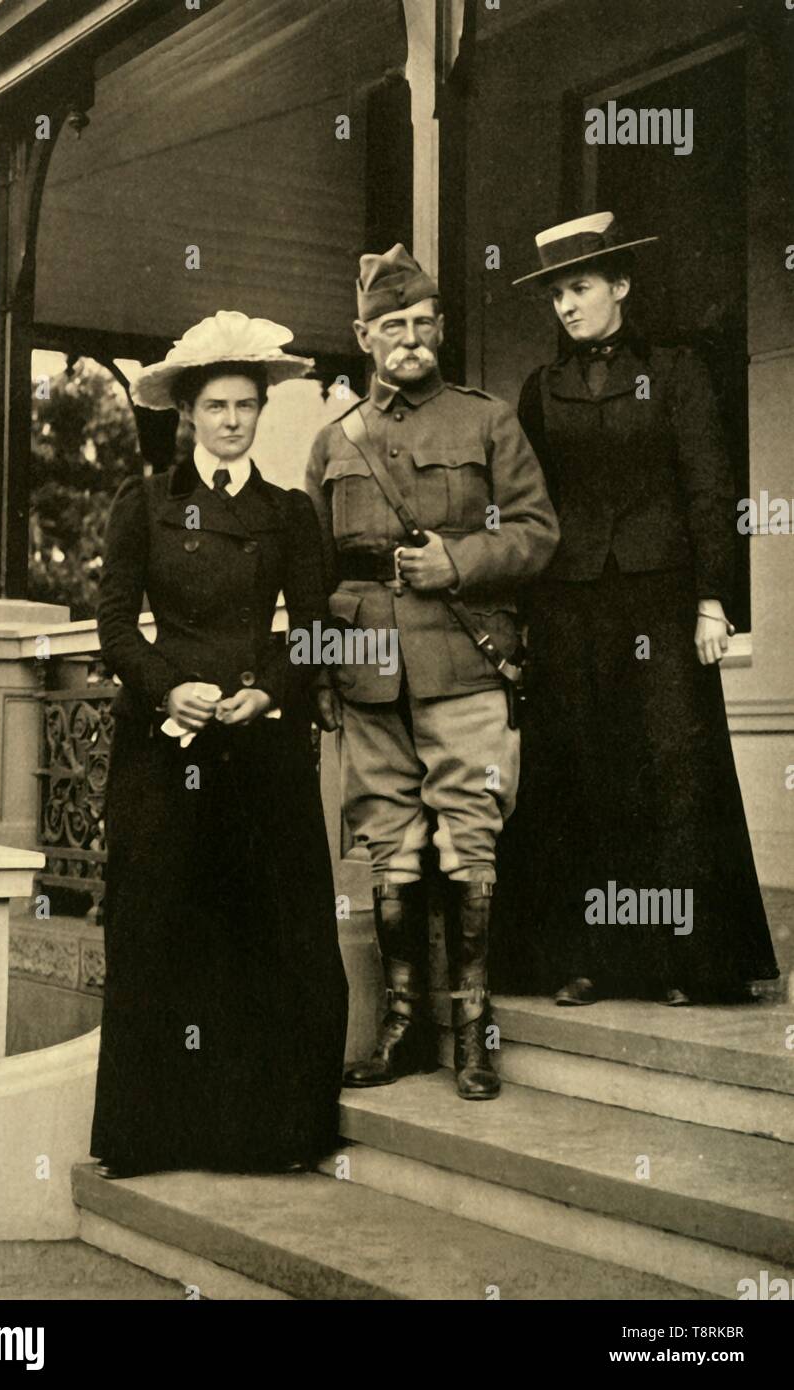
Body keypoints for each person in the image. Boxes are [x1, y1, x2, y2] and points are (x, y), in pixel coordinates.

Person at [90, 311, 348, 1177]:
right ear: (187, 414)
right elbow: (115, 627)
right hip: (165, 747)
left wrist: (266, 691)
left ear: (261, 410)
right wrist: (171, 687)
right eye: (216, 406)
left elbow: (311, 630)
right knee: (163, 926)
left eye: (246, 404)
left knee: (268, 932)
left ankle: (267, 1135)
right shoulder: (145, 504)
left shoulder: (288, 515)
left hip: (260, 747)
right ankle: (153, 1133)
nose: (233, 420)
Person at [498, 211, 779, 1006]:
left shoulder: (677, 371)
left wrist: (712, 601)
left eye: (579, 287)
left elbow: (707, 489)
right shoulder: (539, 389)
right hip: (568, 607)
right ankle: (588, 960)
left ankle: (688, 964)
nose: (567, 305)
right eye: (555, 293)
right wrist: (522, 616)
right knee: (581, 771)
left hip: (660, 601)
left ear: (619, 285)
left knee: (671, 769)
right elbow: (528, 506)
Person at [306, 244, 559, 1100]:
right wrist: (318, 671)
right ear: (363, 336)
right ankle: (405, 1028)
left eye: (421, 325)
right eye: (390, 327)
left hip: (464, 658)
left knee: (468, 840)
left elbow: (535, 534)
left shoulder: (486, 420)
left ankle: (473, 1031)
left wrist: (457, 561)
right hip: (364, 666)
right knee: (390, 843)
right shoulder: (333, 440)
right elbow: (310, 569)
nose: (408, 339)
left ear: (441, 330)